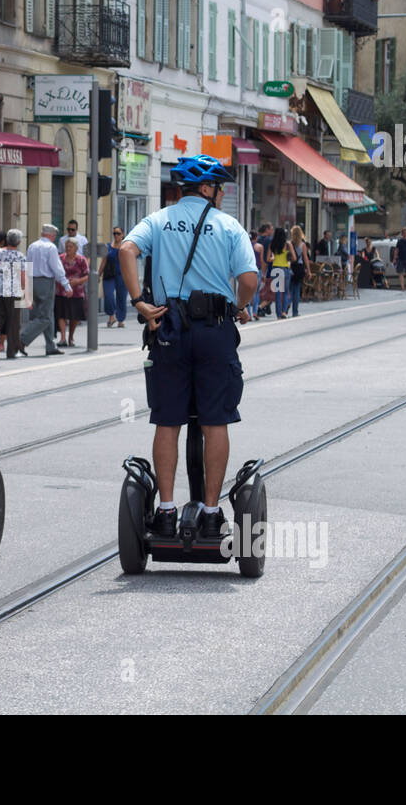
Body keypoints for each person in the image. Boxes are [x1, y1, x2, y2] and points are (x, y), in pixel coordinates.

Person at [118, 155, 257, 541]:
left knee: (168, 421)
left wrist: (139, 302)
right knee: (215, 421)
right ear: (208, 189)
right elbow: (248, 280)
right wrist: (239, 306)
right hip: (214, 330)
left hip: (169, 327)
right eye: (219, 188)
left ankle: (165, 512)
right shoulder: (229, 225)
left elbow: (126, 250)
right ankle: (211, 514)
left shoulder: (159, 220)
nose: (221, 194)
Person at [20, 224, 73, 356]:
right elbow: (56, 267)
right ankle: (21, 339)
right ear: (52, 235)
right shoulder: (51, 247)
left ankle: (50, 345)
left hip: (32, 281)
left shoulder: (32, 246)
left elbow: (27, 265)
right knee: (45, 317)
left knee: (47, 314)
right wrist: (66, 285)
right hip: (45, 282)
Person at [0, 229, 27, 358]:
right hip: (14, 292)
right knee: (13, 321)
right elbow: (23, 277)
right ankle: (12, 351)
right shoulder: (21, 257)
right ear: (19, 242)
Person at [56, 237, 89, 346]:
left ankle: (71, 337)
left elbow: (87, 275)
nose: (68, 248)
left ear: (76, 248)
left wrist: (78, 281)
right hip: (61, 291)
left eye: (71, 247)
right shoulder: (60, 258)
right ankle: (63, 338)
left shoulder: (81, 260)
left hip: (77, 292)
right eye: (67, 246)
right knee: (61, 314)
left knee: (74, 316)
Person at [100, 226, 127, 328]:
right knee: (108, 295)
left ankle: (120, 319)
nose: (116, 235)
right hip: (109, 275)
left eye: (118, 233)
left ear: (122, 234)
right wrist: (98, 274)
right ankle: (111, 316)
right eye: (114, 233)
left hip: (122, 275)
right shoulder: (108, 246)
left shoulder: (126, 246)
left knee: (121, 297)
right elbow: (103, 261)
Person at [268, 227, 294, 319]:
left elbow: (268, 259)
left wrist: (273, 258)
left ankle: (278, 314)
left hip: (275, 269)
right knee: (286, 292)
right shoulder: (288, 244)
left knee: (278, 293)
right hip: (285, 269)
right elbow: (294, 258)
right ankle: (284, 312)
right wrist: (288, 259)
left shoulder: (272, 244)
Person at [289, 225, 311, 317]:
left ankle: (285, 309)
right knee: (297, 290)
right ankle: (295, 311)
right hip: (300, 267)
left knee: (290, 289)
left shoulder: (290, 244)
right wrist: (308, 270)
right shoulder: (302, 245)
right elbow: (305, 258)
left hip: (291, 267)